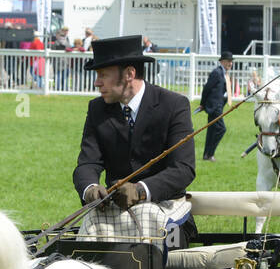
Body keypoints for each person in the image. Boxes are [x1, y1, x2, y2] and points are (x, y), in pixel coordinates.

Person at [73, 35, 196, 249]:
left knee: (147, 213)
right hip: (115, 208)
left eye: (103, 75)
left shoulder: (174, 105)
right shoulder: (97, 109)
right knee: (91, 221)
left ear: (130, 74)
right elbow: (87, 163)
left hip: (164, 207)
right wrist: (90, 188)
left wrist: (141, 190)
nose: (97, 82)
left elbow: (183, 169)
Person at [199, 50, 233, 161]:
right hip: (214, 107)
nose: (230, 64)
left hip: (218, 106)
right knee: (221, 129)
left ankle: (206, 155)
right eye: (228, 61)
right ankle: (210, 154)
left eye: (231, 62)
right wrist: (202, 104)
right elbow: (207, 89)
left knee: (212, 130)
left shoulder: (224, 74)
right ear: (222, 62)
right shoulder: (216, 73)